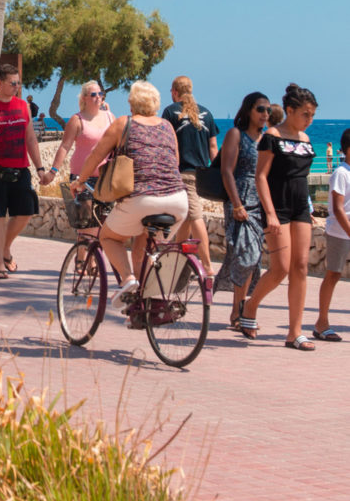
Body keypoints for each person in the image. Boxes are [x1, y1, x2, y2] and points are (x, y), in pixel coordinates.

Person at [71, 80, 189, 304]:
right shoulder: (167, 126)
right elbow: (175, 162)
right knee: (143, 240)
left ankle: (128, 279)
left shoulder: (124, 123)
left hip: (143, 199)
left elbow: (96, 156)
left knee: (107, 236)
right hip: (178, 200)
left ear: (131, 102)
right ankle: (144, 302)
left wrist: (80, 181)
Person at [238, 84, 318, 350]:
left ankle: (295, 332)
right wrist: (269, 213)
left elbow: (301, 178)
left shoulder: (305, 140)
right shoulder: (272, 136)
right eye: (305, 114)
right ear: (290, 110)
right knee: (281, 268)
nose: (309, 119)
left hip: (301, 208)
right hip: (277, 208)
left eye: (313, 115)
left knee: (301, 267)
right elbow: (260, 176)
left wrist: (310, 210)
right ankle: (249, 306)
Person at [0, 65, 51, 278]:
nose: (16, 87)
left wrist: (40, 168)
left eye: (18, 83)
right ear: (0, 83)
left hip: (20, 169)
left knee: (25, 212)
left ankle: (5, 248)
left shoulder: (23, 106)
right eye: (12, 83)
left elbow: (31, 139)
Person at [215, 92, 270, 327]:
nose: (265, 114)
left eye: (268, 110)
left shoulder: (267, 139)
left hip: (260, 204)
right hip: (240, 201)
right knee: (247, 256)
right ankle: (241, 311)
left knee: (253, 259)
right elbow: (227, 170)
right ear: (248, 110)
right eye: (260, 109)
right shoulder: (235, 134)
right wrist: (236, 204)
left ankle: (238, 310)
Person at [161, 75, 219, 277]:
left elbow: (165, 144)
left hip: (183, 173)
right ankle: (177, 262)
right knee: (184, 217)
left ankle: (208, 265)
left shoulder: (170, 112)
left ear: (175, 92)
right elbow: (213, 148)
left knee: (195, 217)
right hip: (202, 174)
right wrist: (218, 172)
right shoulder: (207, 113)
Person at [315, 127, 350, 341]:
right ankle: (321, 322)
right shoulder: (341, 173)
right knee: (333, 274)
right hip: (339, 232)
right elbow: (337, 208)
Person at [48, 81, 115, 191]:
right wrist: (53, 171)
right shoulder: (76, 120)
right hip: (81, 178)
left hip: (106, 177)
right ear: (84, 98)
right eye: (93, 95)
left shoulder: (110, 117)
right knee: (84, 208)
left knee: (107, 209)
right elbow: (65, 146)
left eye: (100, 94)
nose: (98, 97)